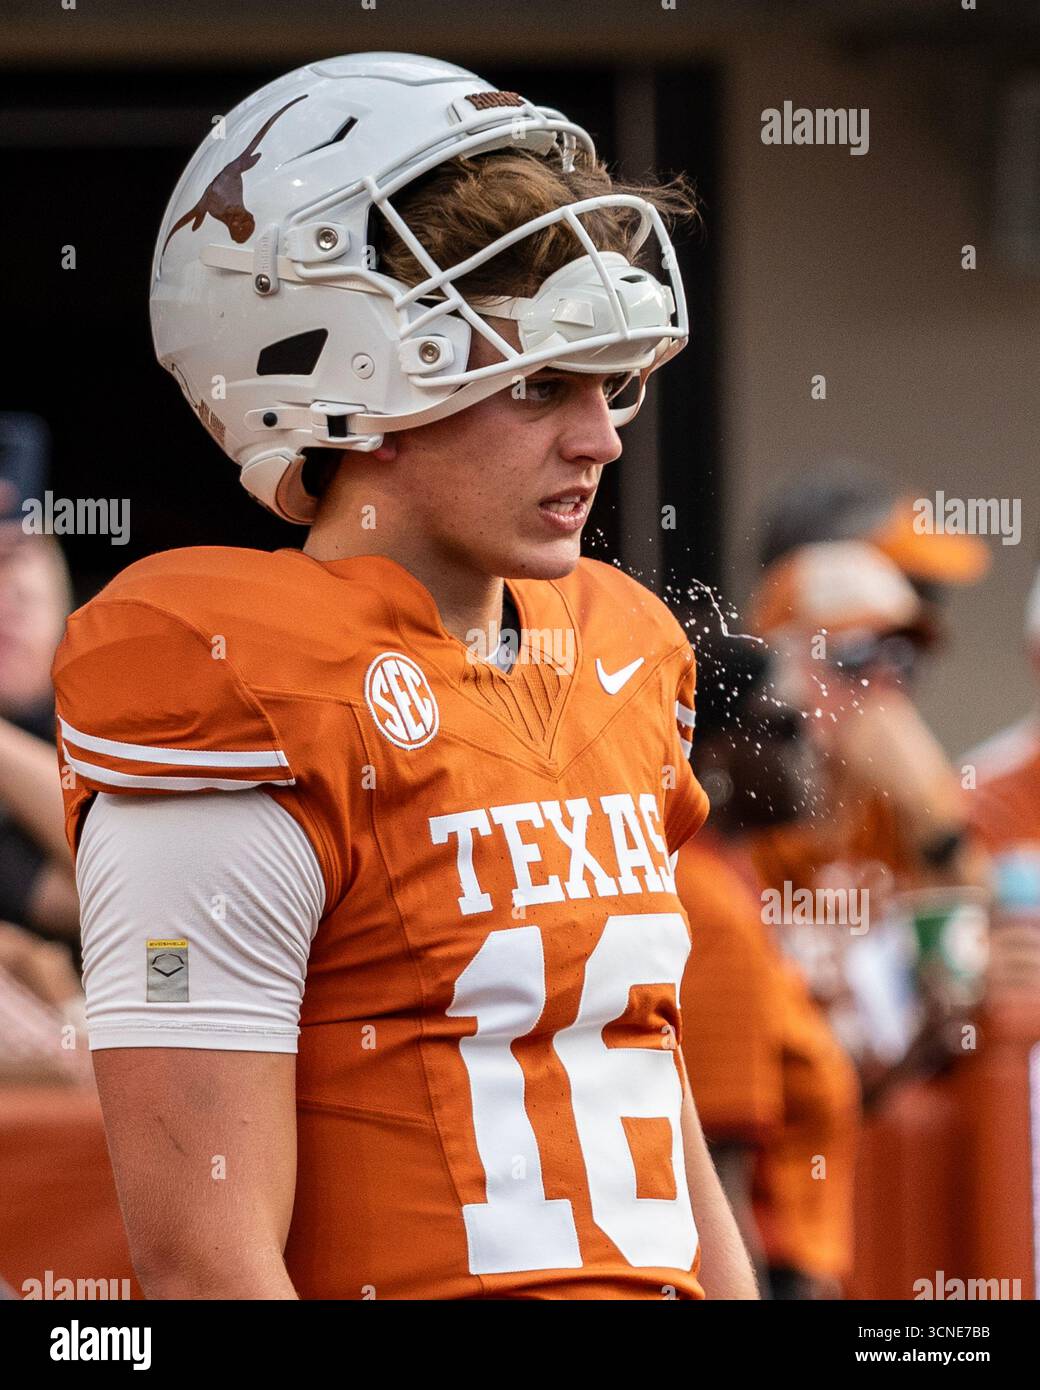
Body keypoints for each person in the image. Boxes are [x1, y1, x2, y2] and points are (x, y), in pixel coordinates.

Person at [52, 53, 756, 1300]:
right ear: (351, 376)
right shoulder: (237, 686)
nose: (597, 437)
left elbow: (643, 1071)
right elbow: (203, 1254)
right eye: (537, 383)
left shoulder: (618, 651)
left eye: (606, 386)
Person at [675, 631, 859, 1298]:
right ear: (719, 749)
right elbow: (720, 1175)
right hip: (760, 1275)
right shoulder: (709, 901)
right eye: (782, 725)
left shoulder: (736, 873)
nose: (808, 744)